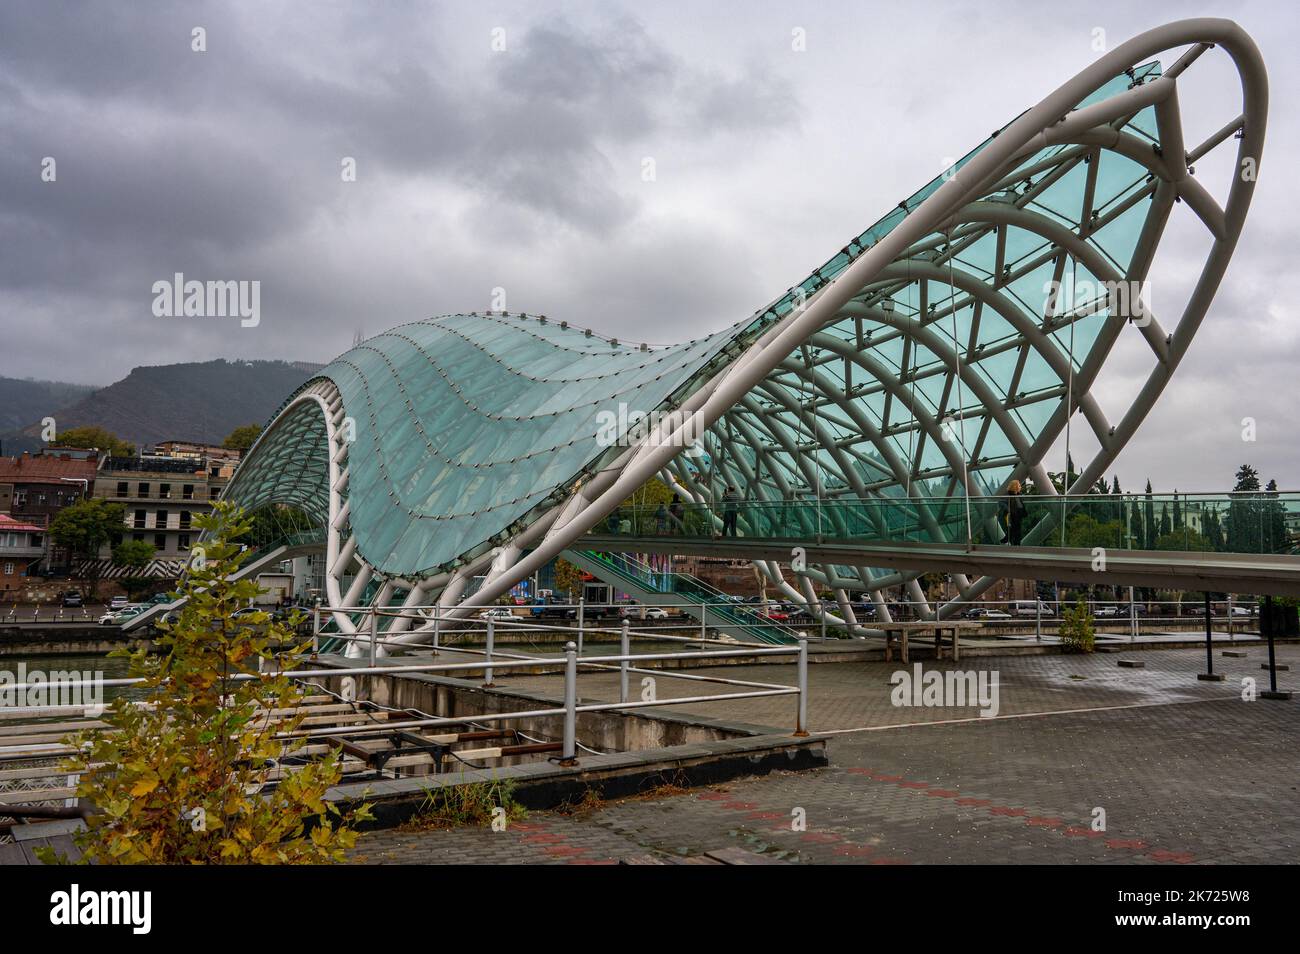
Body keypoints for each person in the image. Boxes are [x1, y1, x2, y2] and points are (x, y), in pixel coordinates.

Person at [1001, 479, 1026, 545]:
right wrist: (1009, 510)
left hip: (1018, 514)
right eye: (1019, 486)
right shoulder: (1008, 495)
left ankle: (1010, 540)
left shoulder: (1018, 494)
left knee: (1016, 529)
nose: (1020, 487)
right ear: (1015, 487)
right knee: (1014, 529)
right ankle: (1014, 542)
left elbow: (1020, 504)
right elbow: (1001, 502)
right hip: (1012, 514)